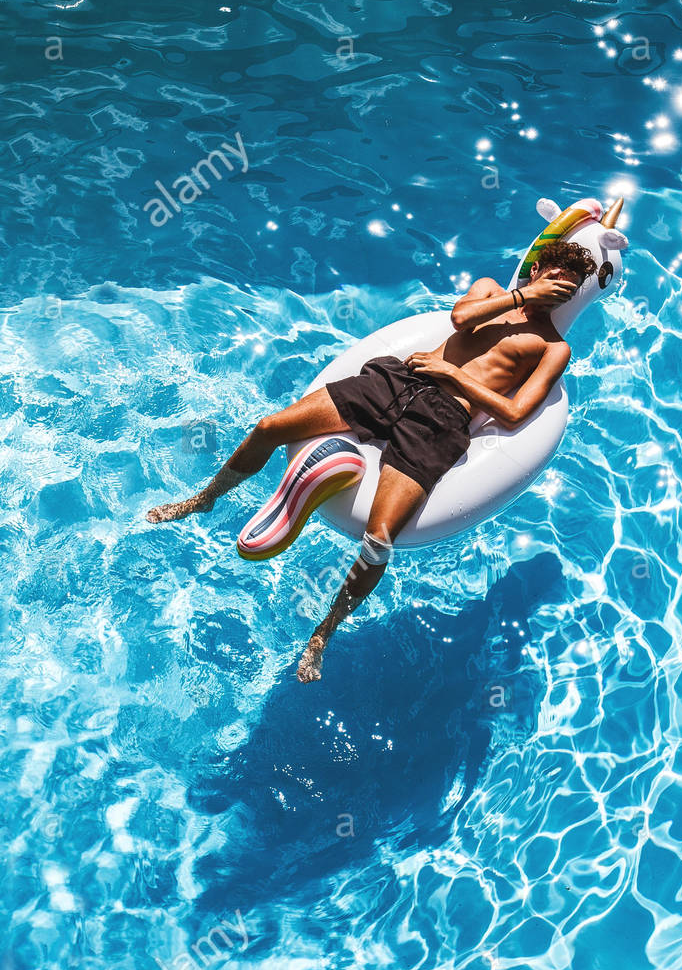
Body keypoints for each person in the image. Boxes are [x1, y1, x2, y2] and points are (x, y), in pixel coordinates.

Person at [147, 239, 597, 681]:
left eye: (572, 284)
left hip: (442, 419)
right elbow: (460, 318)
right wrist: (520, 297)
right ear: (537, 271)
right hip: (396, 380)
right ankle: (204, 499)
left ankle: (324, 632)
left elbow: (517, 413)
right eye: (557, 275)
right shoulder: (489, 291)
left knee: (379, 538)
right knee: (268, 428)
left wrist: (453, 375)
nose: (563, 285)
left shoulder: (554, 347)